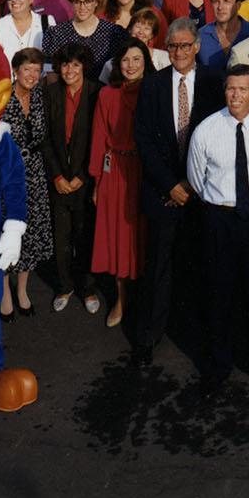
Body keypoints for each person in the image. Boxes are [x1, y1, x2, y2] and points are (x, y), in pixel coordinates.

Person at [184, 62, 249, 389]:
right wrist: (221, 205)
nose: (236, 95)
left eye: (243, 89)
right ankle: (218, 366)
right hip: (219, 219)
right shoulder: (207, 129)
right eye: (231, 88)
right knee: (218, 293)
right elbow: (196, 178)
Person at [131, 18, 223, 364]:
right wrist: (171, 184)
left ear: (197, 47)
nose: (180, 52)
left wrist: (190, 184)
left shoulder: (215, 83)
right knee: (158, 268)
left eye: (186, 46)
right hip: (163, 192)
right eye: (173, 46)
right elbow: (144, 140)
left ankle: (198, 336)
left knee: (202, 265)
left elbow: (219, 138)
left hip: (202, 193)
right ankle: (148, 339)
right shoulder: (152, 85)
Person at [90, 36, 151, 328]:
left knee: (141, 236)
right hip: (114, 171)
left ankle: (143, 300)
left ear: (145, 62)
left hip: (143, 170)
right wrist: (97, 181)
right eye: (125, 60)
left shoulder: (153, 90)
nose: (130, 65)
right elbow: (99, 138)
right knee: (118, 238)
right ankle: (121, 297)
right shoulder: (107, 95)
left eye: (137, 59)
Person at [44, 41, 101, 312]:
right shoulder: (51, 92)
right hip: (58, 180)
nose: (69, 70)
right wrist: (56, 176)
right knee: (61, 237)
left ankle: (88, 288)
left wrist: (82, 176)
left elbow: (98, 140)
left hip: (84, 178)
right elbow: (44, 138)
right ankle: (65, 286)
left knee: (84, 234)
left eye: (75, 65)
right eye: (65, 64)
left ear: (84, 67)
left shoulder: (95, 92)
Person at [0, 47, 54, 317]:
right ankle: (4, 291)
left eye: (37, 70)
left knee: (30, 232)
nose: (32, 75)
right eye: (27, 69)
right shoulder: (0, 98)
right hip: (7, 174)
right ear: (15, 71)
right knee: (6, 230)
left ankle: (22, 289)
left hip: (34, 172)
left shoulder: (40, 98)